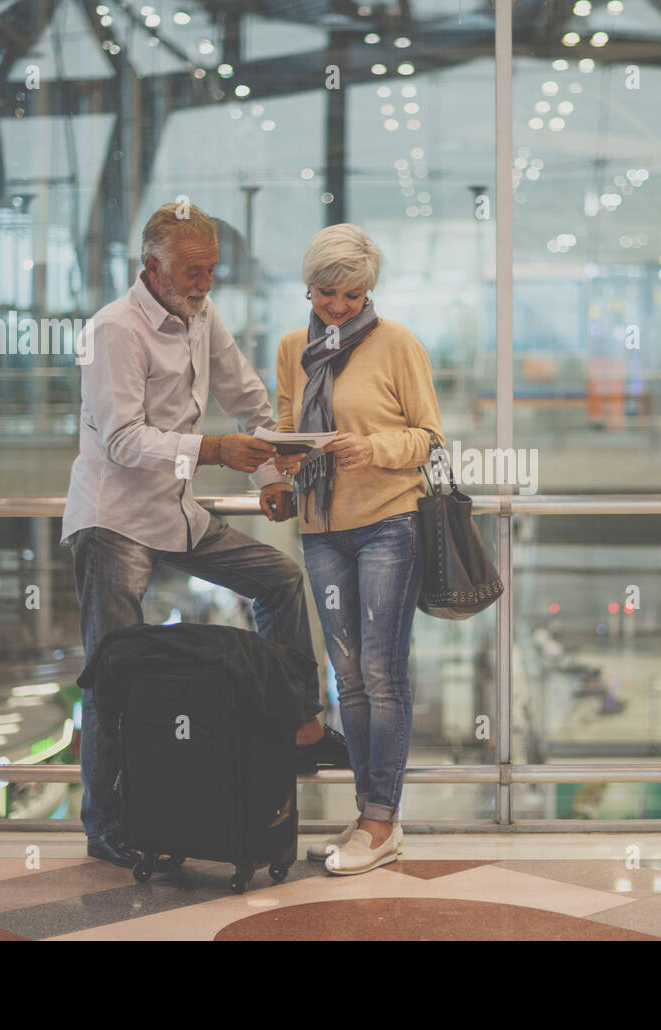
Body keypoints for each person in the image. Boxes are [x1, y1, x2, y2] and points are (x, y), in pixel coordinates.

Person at [60, 201, 348, 868]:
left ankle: (300, 723)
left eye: (211, 270)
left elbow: (248, 396)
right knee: (110, 676)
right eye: (191, 271)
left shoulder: (202, 315)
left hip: (174, 511)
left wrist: (270, 477)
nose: (203, 283)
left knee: (278, 579)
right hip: (112, 520)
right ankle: (106, 827)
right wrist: (216, 452)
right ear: (150, 268)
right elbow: (125, 440)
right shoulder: (112, 331)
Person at [270, 223, 445, 875]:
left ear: (369, 289)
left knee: (380, 672)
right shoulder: (294, 347)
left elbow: (430, 437)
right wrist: (280, 460)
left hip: (386, 524)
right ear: (309, 286)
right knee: (347, 680)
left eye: (349, 294)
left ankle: (382, 819)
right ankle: (369, 815)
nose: (336, 306)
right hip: (320, 528)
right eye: (324, 293)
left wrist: (370, 447)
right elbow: (288, 429)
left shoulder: (398, 345)